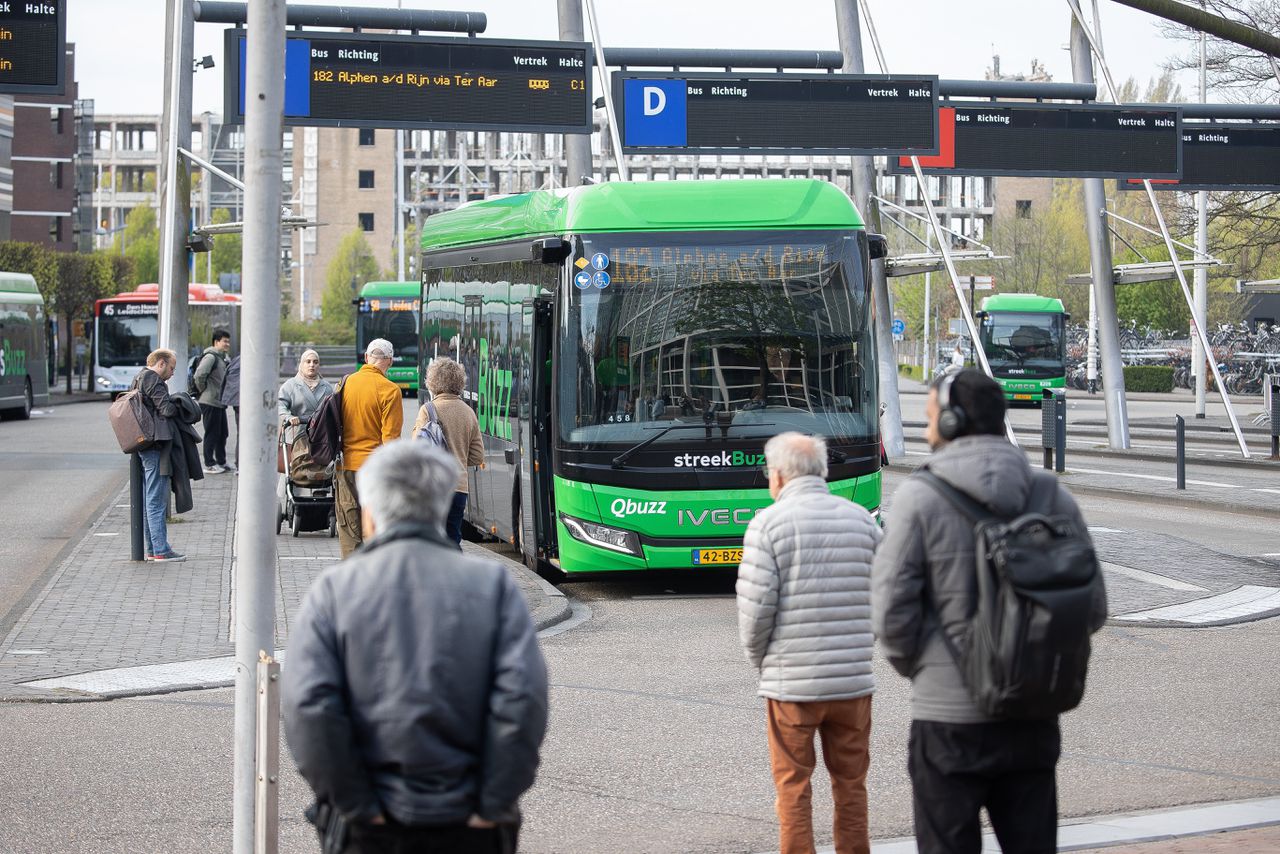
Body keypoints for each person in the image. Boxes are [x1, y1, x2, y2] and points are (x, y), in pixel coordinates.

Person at [871, 369, 1107, 853]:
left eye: (930, 417)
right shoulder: (1051, 496)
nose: (926, 427)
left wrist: (926, 669)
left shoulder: (919, 497)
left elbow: (891, 612)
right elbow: (1094, 607)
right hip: (1033, 714)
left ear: (952, 421)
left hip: (948, 719)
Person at [282, 440, 548, 854]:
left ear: (369, 513)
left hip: (370, 827)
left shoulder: (335, 591)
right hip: (469, 821)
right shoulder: (492, 587)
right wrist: (492, 802)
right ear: (441, 506)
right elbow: (522, 700)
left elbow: (309, 706)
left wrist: (357, 804)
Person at [737, 432, 882, 854]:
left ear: (779, 475)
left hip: (791, 686)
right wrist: (859, 647)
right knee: (851, 783)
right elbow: (886, 596)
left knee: (793, 784)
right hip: (852, 684)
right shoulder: (862, 520)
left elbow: (755, 610)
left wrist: (762, 661)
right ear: (822, 471)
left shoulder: (768, 524)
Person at [336, 338, 403, 557]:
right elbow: (390, 438)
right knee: (375, 523)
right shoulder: (390, 390)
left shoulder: (345, 383)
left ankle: (352, 569)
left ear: (366, 358)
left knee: (348, 523)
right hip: (375, 469)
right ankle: (375, 567)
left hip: (345, 464)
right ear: (390, 361)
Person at [411, 356, 483, 545]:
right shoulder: (469, 412)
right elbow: (477, 456)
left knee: (430, 540)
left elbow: (416, 449)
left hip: (433, 486)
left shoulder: (428, 410)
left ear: (432, 381)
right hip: (459, 486)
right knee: (452, 538)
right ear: (459, 382)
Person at [130, 348, 184, 562]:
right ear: (161, 363)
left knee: (148, 499)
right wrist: (179, 403)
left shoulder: (138, 377)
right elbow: (166, 410)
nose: (172, 373)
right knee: (156, 499)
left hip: (143, 443)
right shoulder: (153, 379)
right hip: (154, 445)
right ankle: (161, 549)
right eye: (171, 368)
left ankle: (153, 548)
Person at [277, 349, 336, 508]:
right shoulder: (290, 385)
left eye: (315, 362)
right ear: (301, 364)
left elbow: (333, 410)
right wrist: (289, 417)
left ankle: (320, 499)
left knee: (320, 466)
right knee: (293, 470)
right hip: (296, 434)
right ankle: (287, 502)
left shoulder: (327, 387)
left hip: (319, 437)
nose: (312, 365)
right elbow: (280, 405)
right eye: (308, 362)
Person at [193, 328, 232, 473]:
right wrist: (203, 390)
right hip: (209, 401)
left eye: (228, 341)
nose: (227, 344)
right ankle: (209, 463)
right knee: (212, 433)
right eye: (224, 341)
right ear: (216, 342)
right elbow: (199, 375)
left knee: (223, 433)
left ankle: (221, 461)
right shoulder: (210, 357)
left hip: (219, 402)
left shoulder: (222, 358)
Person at [221, 353, 241, 470]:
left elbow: (226, 377)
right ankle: (241, 464)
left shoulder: (236, 359)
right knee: (246, 434)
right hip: (245, 401)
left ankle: (239, 464)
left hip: (236, 400)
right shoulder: (256, 359)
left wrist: (223, 399)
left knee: (241, 433)